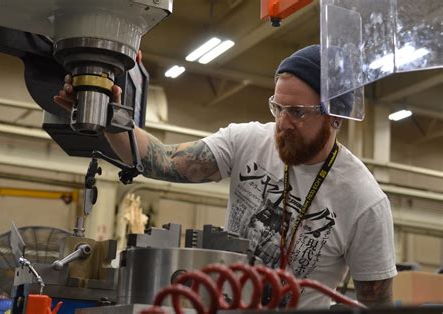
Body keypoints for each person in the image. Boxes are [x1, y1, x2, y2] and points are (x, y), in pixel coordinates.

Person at [55, 45, 397, 309]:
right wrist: (108, 116)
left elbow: (374, 305)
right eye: (277, 108)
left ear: (335, 116)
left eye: (297, 113)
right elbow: (165, 161)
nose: (282, 123)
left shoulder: (364, 202)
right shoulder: (248, 141)